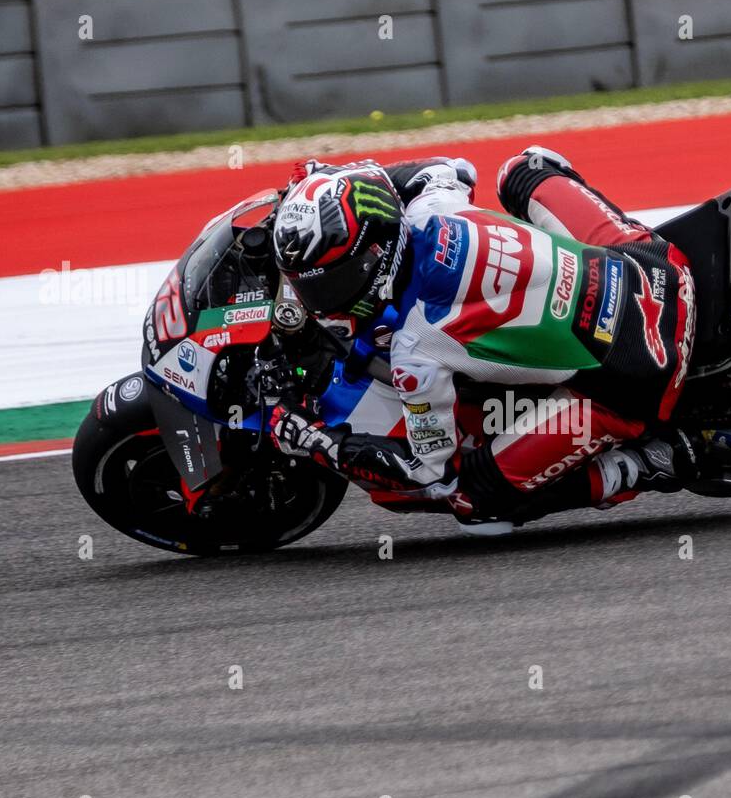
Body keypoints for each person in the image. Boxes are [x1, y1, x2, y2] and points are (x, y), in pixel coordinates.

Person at [268, 146, 697, 532]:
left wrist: (315, 439)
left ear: (375, 257)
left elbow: (426, 471)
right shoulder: (433, 207)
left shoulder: (416, 348)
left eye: (328, 285)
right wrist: (338, 180)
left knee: (471, 498)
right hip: (655, 266)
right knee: (524, 168)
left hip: (634, 378)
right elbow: (451, 168)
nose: (318, 302)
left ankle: (640, 465)